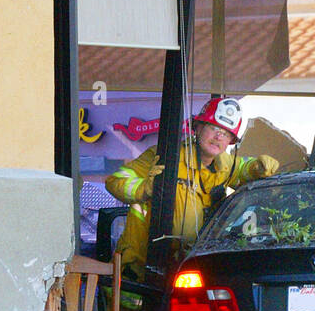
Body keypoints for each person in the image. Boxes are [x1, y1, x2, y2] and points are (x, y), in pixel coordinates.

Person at [106, 97, 280, 284]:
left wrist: (257, 167)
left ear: (231, 141)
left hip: (187, 272)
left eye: (226, 133)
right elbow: (115, 181)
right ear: (197, 127)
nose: (218, 137)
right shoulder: (164, 156)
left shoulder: (224, 165)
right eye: (213, 128)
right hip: (139, 272)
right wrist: (145, 189)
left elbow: (243, 169)